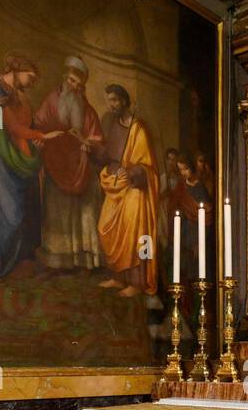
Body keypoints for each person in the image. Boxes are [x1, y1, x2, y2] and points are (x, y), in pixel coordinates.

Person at [0, 52, 64, 280]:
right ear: (18, 70)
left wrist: (34, 139)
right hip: (0, 161)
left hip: (18, 156)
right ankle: (1, 262)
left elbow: (21, 126)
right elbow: (3, 129)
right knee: (9, 210)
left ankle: (22, 261)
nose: (32, 82)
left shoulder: (15, 93)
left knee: (29, 205)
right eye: (30, 77)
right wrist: (41, 136)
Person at [33, 56, 105, 272]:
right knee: (57, 214)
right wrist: (40, 137)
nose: (75, 87)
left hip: (81, 168)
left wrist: (88, 145)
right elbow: (38, 125)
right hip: (56, 164)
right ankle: (57, 262)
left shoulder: (88, 109)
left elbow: (98, 139)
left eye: (79, 85)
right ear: (65, 79)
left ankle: (82, 262)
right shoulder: (50, 101)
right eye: (72, 81)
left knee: (83, 215)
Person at [98, 83, 159, 296]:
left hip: (135, 189)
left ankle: (136, 283)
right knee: (105, 226)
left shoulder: (138, 129)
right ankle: (117, 277)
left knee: (135, 234)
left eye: (115, 100)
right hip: (115, 185)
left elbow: (147, 166)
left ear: (124, 101)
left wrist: (131, 173)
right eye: (109, 100)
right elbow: (108, 154)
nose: (112, 104)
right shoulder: (114, 126)